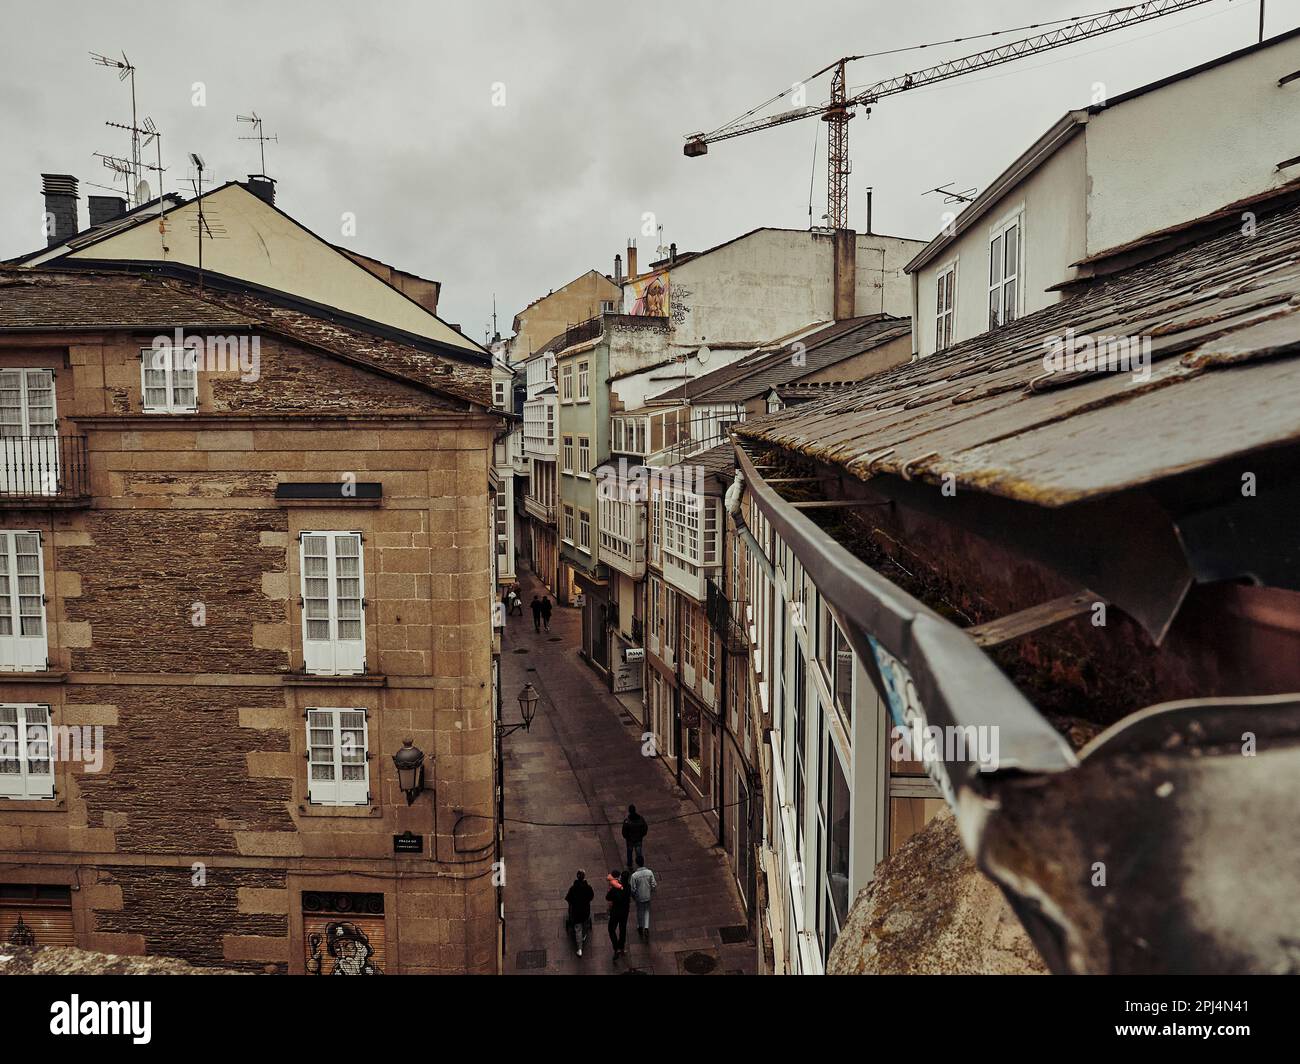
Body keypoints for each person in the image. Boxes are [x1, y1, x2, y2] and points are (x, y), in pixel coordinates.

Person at [565, 870, 594, 957]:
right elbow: (591, 897)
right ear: (584, 877)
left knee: (578, 929)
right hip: (585, 911)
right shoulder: (588, 887)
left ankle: (579, 949)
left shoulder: (573, 888)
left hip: (576, 912)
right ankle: (584, 936)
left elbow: (568, 899)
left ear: (577, 877)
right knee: (585, 924)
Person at [605, 868, 631, 961]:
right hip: (624, 912)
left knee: (611, 929)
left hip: (615, 912)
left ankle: (616, 948)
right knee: (622, 929)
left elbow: (607, 897)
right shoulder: (628, 887)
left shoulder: (616, 888)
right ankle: (621, 946)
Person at [629, 857, 657, 941]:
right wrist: (651, 890)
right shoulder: (649, 872)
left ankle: (640, 926)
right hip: (647, 895)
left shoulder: (634, 875)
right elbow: (654, 884)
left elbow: (632, 888)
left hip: (639, 897)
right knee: (647, 911)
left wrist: (633, 896)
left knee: (639, 911)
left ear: (637, 863)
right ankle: (646, 927)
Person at [621, 804, 648, 869]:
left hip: (630, 840)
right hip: (638, 839)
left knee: (629, 853)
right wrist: (641, 835)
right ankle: (640, 864)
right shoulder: (641, 819)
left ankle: (630, 864)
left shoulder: (627, 821)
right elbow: (645, 828)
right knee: (638, 853)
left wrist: (627, 837)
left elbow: (624, 831)